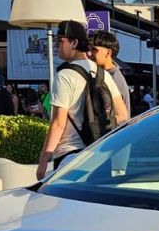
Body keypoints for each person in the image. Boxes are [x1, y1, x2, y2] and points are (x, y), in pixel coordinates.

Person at [36, 20, 127, 180]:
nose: (57, 45)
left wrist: (43, 163)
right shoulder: (102, 73)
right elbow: (123, 115)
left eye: (60, 41)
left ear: (74, 42)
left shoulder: (64, 76)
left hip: (69, 157)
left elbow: (58, 123)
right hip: (99, 156)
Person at [87, 30, 131, 126]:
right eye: (89, 49)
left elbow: (121, 117)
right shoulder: (103, 74)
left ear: (108, 53)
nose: (90, 54)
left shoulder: (113, 78)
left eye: (94, 50)